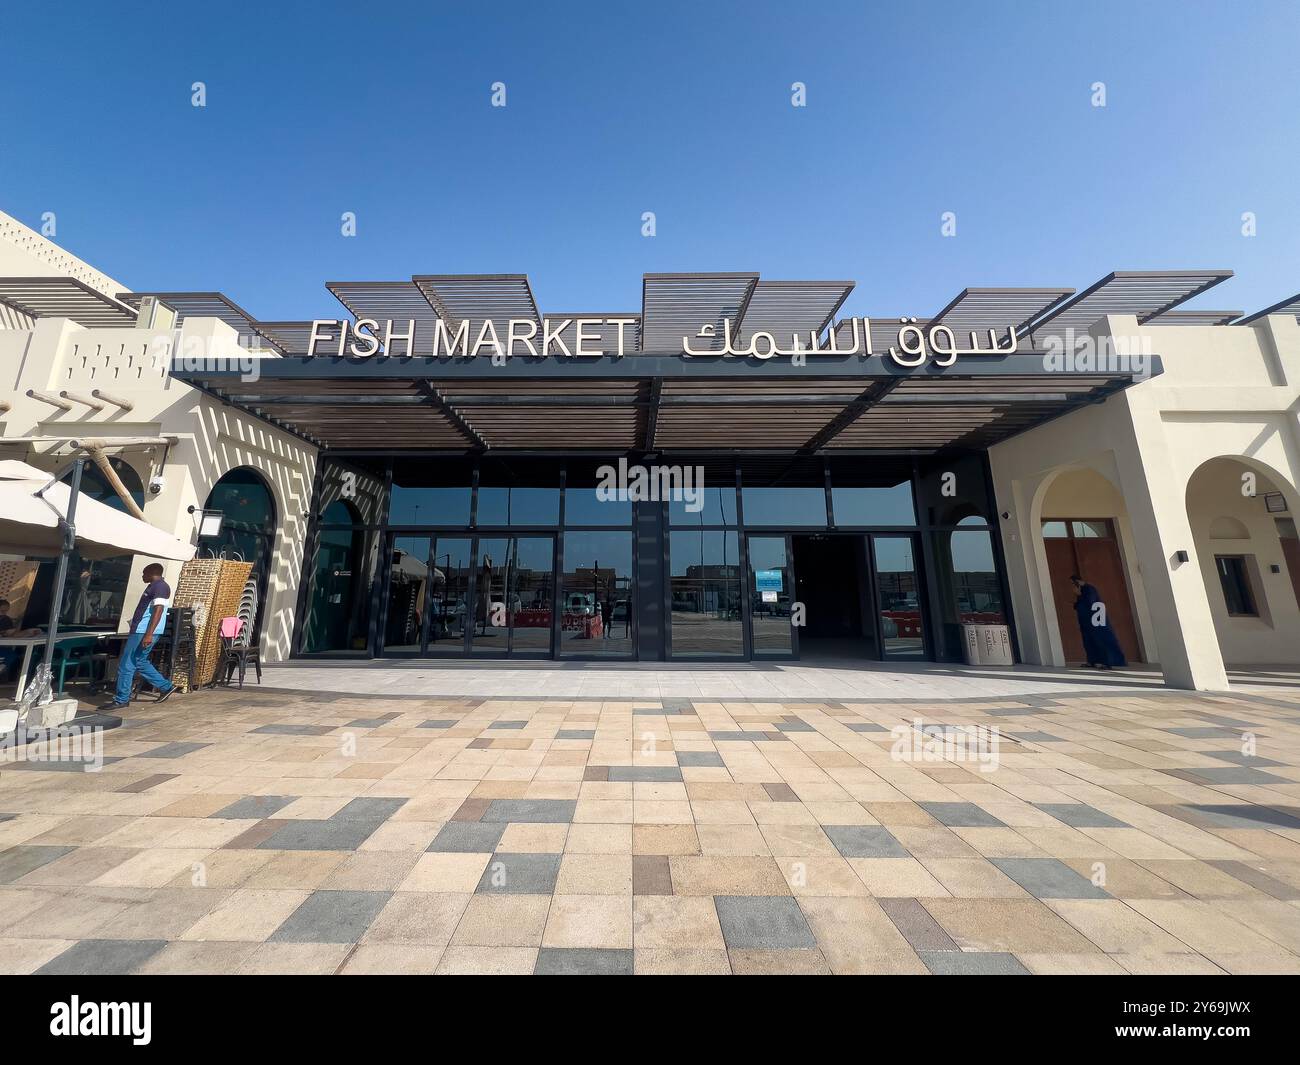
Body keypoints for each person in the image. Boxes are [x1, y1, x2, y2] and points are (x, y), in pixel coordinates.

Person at [104, 563, 178, 710]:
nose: (142, 576)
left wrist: (148, 634)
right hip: (142, 630)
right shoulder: (154, 586)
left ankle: (121, 699)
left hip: (143, 631)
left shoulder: (160, 587)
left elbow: (158, 610)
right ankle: (166, 686)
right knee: (139, 661)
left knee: (127, 664)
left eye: (144, 573)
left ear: (151, 572)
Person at [1071, 574, 1126, 670]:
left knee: (1102, 641)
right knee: (1089, 641)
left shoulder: (1089, 589)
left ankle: (1108, 661)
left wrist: (1079, 595)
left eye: (1073, 583)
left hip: (1096, 621)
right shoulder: (1082, 591)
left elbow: (1090, 603)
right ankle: (1093, 660)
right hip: (1087, 621)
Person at [0, 598, 42, 683]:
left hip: (3, 646)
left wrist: (28, 633)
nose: (4, 613)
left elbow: (12, 634)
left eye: (6, 611)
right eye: (1, 610)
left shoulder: (6, 620)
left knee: (12, 655)